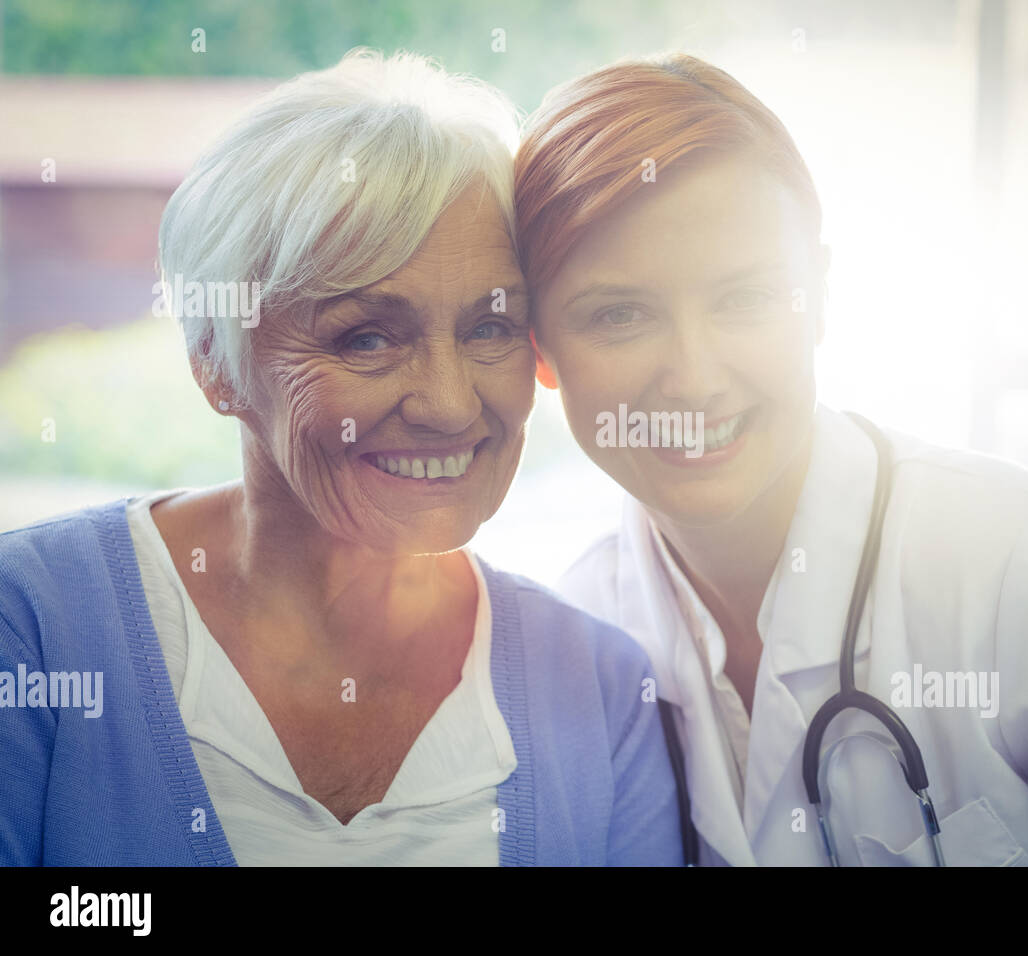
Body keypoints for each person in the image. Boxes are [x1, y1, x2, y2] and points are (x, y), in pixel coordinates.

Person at [513, 53, 1028, 866]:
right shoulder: (573, 648)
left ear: (820, 298)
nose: (694, 379)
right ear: (539, 350)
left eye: (746, 298)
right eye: (619, 315)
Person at [0, 49, 681, 866]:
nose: (449, 405)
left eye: (489, 327)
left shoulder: (603, 688)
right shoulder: (34, 626)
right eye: (366, 338)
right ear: (216, 364)